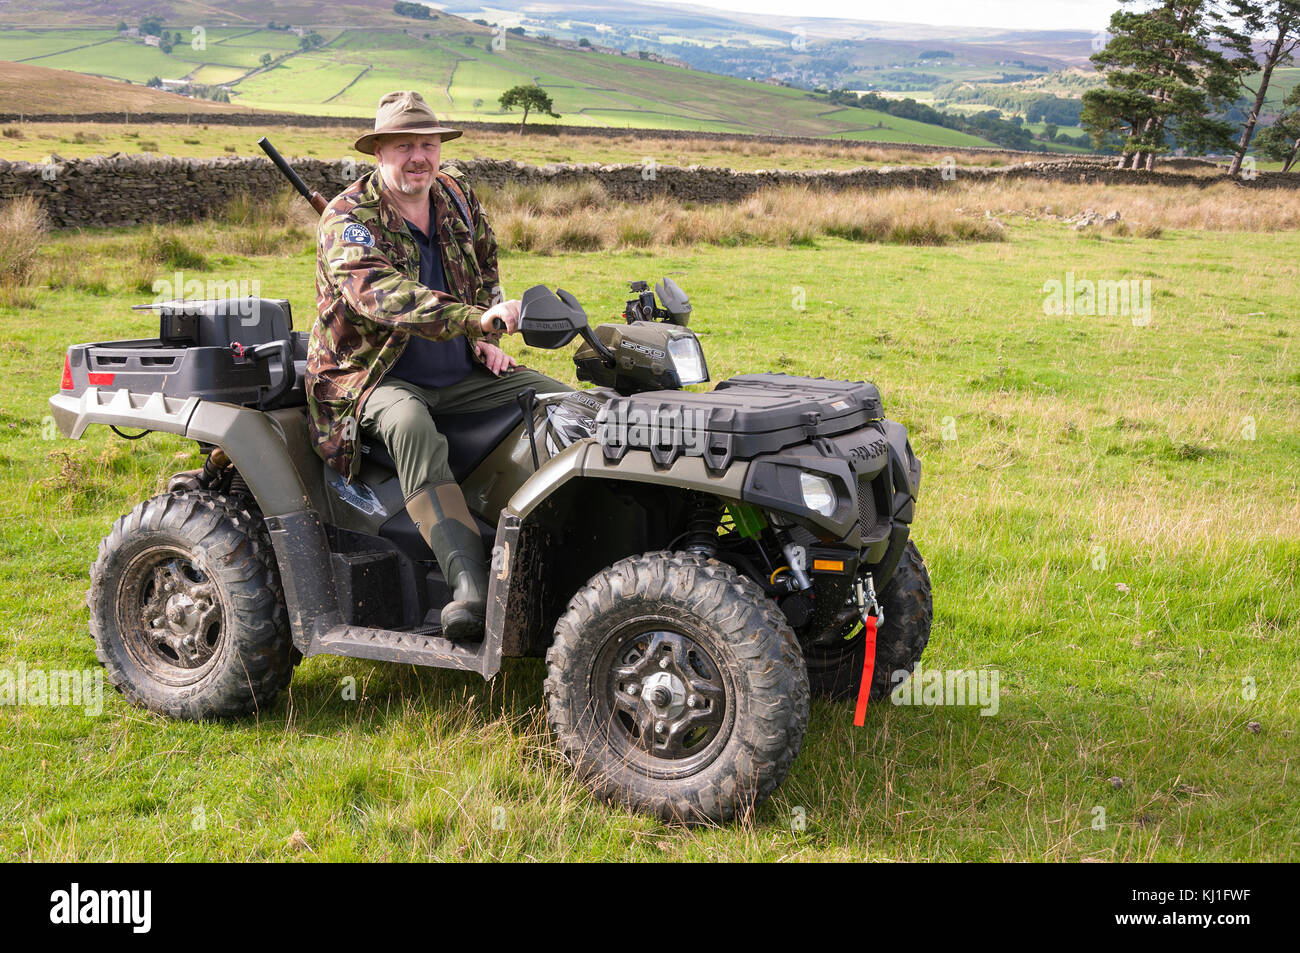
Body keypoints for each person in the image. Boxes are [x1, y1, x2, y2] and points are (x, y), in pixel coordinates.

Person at [305, 90, 569, 641]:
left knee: (560, 405)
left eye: (428, 145)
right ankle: (470, 585)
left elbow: (485, 264)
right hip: (372, 375)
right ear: (378, 151)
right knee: (410, 426)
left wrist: (488, 335)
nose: (419, 157)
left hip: (459, 369)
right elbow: (380, 295)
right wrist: (477, 320)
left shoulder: (457, 195)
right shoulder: (347, 218)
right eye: (404, 146)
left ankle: (563, 540)